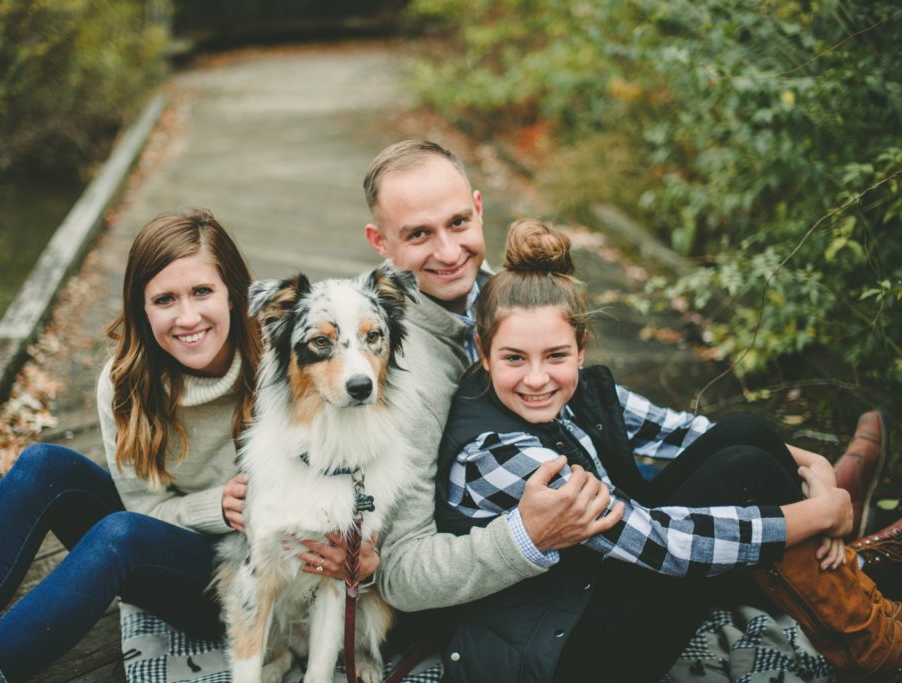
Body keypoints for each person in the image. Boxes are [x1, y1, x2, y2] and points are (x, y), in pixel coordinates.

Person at [360, 141, 902, 680]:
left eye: (457, 222)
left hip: (584, 564)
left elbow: (655, 426)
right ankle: (860, 614)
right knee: (743, 475)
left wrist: (811, 463)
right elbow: (402, 573)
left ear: (479, 208)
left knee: (745, 435)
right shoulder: (400, 376)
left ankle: (831, 552)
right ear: (380, 243)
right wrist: (523, 535)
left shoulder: (501, 298)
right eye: (418, 234)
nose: (449, 251)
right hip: (543, 617)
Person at [0, 208, 262, 682]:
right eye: (165, 299)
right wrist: (214, 507)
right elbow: (144, 507)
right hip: (170, 550)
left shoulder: (280, 368)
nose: (187, 317)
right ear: (142, 309)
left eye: (202, 291)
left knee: (120, 535)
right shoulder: (126, 386)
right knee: (44, 465)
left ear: (233, 293)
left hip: (247, 585)